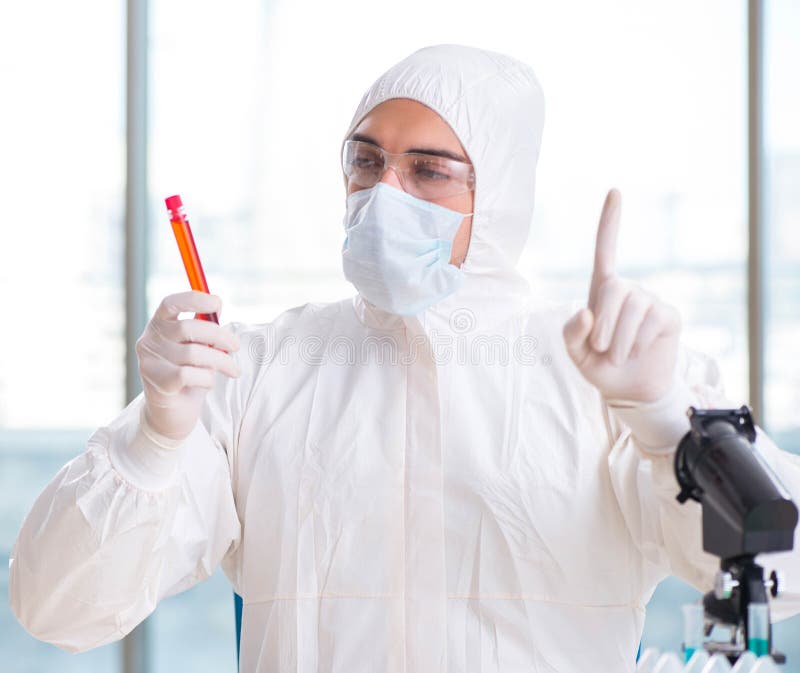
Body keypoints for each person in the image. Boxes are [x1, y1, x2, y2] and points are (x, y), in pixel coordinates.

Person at [9, 44, 800, 673]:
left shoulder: (600, 369)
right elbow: (57, 607)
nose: (385, 192)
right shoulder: (258, 370)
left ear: (498, 197)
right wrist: (156, 438)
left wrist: (665, 423)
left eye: (428, 170)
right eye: (365, 161)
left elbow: (785, 577)